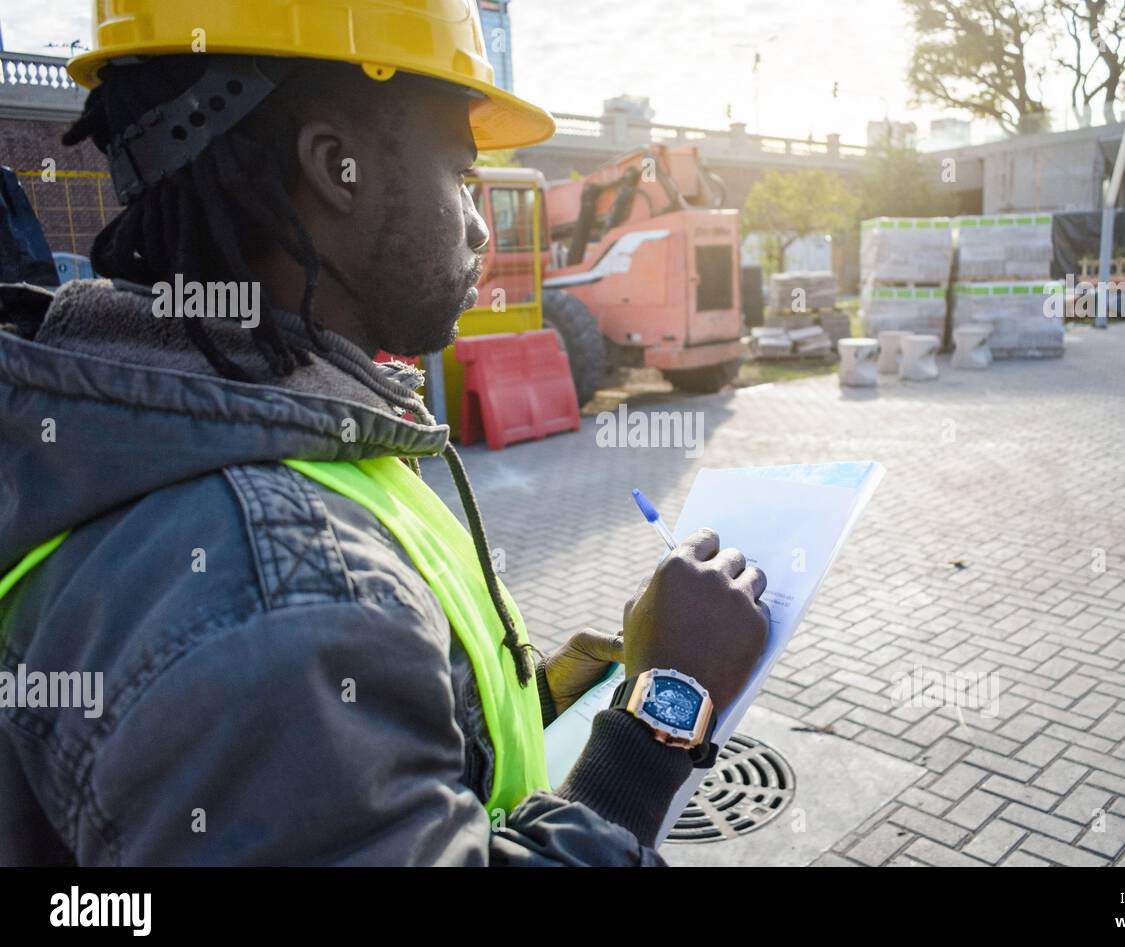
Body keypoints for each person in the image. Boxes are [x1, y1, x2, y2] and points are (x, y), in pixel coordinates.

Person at [0, 1, 769, 865]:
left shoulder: (255, 428)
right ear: (339, 168)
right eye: (459, 174)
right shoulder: (277, 595)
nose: (479, 225)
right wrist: (661, 713)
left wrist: (514, 701)